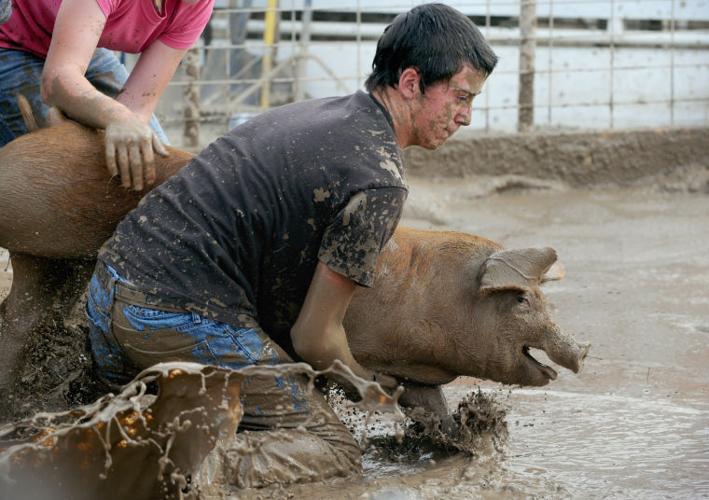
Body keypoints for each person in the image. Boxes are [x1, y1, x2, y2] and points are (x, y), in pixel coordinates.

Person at [85, 2, 498, 489]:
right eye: (460, 98)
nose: (466, 117)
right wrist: (369, 390)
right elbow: (314, 338)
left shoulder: (319, 112)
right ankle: (179, 472)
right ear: (411, 83)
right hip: (170, 316)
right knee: (334, 447)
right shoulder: (379, 181)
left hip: (105, 297)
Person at [0, 0, 214, 190]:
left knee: (152, 163)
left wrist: (124, 124)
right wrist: (116, 117)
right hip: (10, 39)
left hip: (82, 45)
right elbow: (56, 80)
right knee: (61, 171)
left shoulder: (198, 6)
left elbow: (138, 106)